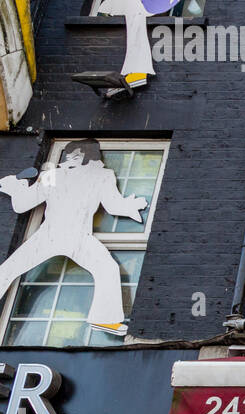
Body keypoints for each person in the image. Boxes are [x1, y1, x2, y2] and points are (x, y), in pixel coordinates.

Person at [0, 140, 148, 336]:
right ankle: (106, 320)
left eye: (76, 155)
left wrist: (130, 206)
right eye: (69, 155)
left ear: (90, 156)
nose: (70, 159)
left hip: (79, 236)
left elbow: (112, 205)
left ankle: (105, 320)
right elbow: (23, 205)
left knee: (108, 268)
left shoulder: (102, 176)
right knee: (9, 268)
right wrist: (15, 188)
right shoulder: (53, 175)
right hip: (49, 233)